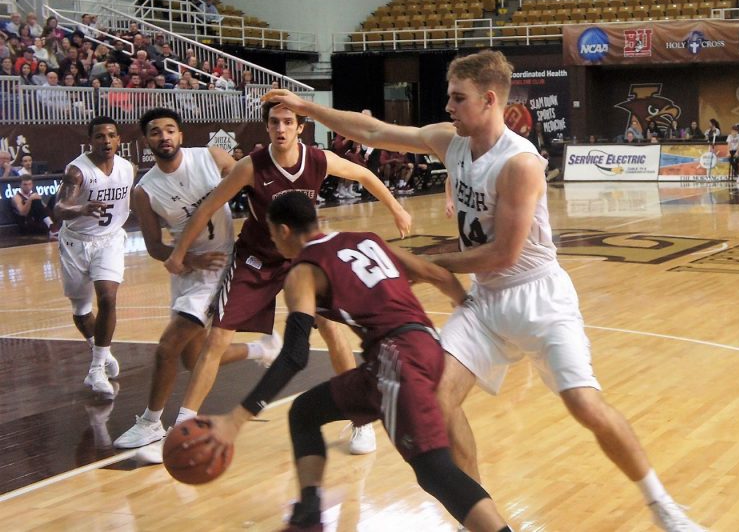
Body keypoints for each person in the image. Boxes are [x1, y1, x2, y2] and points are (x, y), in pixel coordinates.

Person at [263, 49, 704, 531]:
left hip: (539, 297)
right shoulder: (449, 141)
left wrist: (418, 264)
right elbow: (371, 131)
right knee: (436, 400)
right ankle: (479, 519)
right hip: (486, 303)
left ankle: (661, 504)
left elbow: (503, 255)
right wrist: (310, 110)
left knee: (584, 403)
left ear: (489, 99)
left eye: (458, 98)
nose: (448, 107)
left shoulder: (520, 163)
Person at [196, 192, 512, 532]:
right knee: (304, 412)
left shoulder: (302, 271)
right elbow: (435, 274)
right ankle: (308, 519)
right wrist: (462, 304)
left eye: (273, 235)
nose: (274, 242)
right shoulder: (364, 240)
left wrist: (236, 419)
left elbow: (294, 355)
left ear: (284, 231)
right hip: (424, 347)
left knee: (434, 470)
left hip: (397, 358)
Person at [162, 101, 413, 455]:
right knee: (218, 335)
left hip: (306, 258)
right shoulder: (251, 166)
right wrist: (177, 253)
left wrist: (397, 207)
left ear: (299, 128)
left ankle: (360, 422)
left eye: (288, 122)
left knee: (331, 329)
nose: (281, 128)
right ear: (267, 129)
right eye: (274, 122)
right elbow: (208, 207)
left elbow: (365, 175)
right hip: (258, 257)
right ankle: (182, 423)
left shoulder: (318, 159)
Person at [111, 109, 277, 460]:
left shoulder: (211, 158)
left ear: (181, 135)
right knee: (192, 358)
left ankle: (152, 422)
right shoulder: (145, 191)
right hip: (189, 269)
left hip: (224, 264)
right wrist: (188, 259)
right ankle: (262, 350)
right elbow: (155, 247)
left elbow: (250, 185)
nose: (164, 136)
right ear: (146, 142)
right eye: (155, 132)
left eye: (170, 130)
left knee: (167, 346)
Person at [53, 116, 135, 398]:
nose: (106, 140)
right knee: (81, 311)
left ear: (119, 139)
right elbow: (60, 208)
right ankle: (99, 349)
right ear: (90, 141)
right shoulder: (77, 171)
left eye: (111, 135)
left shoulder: (127, 168)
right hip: (76, 243)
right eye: (100, 136)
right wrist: (82, 209)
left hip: (110, 240)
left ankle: (96, 369)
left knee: (108, 297)